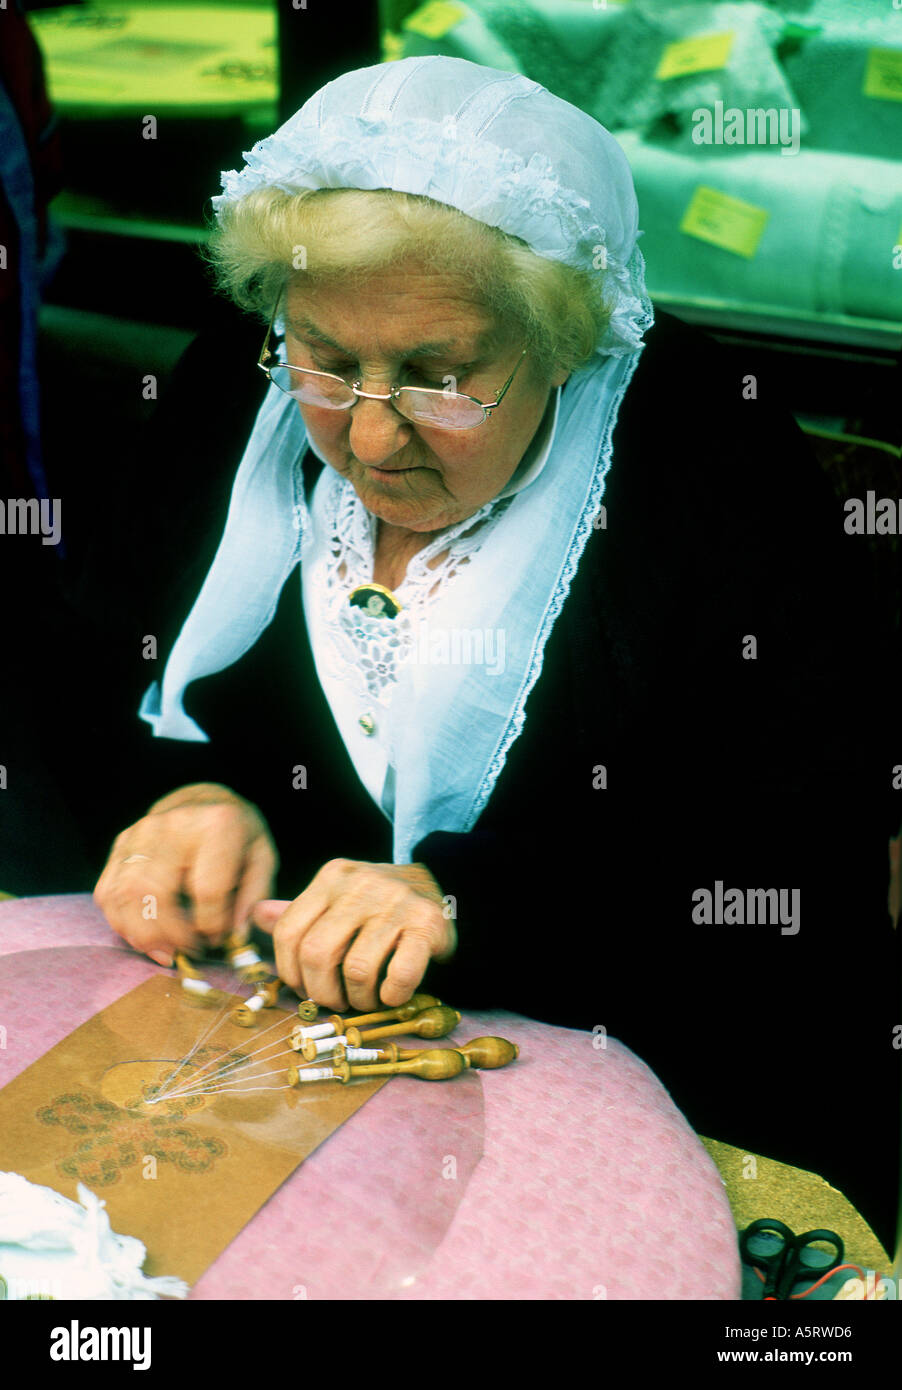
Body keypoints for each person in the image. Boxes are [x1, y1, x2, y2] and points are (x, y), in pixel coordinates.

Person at [92, 57, 900, 1249]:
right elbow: (104, 664)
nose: (367, 432)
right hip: (295, 1079)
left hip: (662, 1085)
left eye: (439, 374)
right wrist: (188, 791)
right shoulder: (236, 391)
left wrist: (471, 895)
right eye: (321, 357)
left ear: (561, 342)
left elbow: (791, 859)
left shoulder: (712, 458)